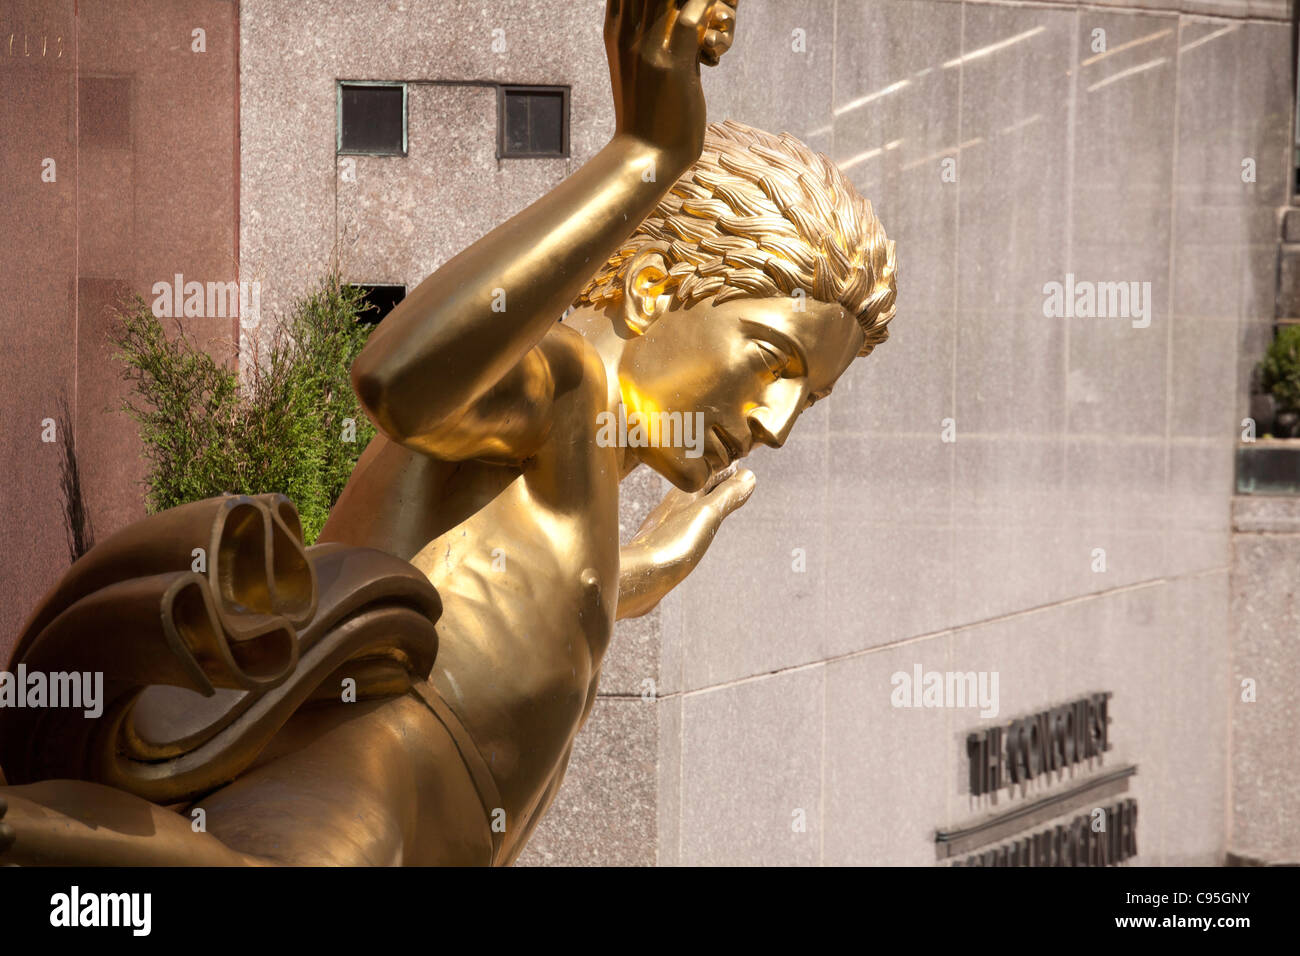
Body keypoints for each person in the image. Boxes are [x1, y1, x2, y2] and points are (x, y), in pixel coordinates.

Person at [0, 0, 895, 865]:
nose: (777, 425)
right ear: (652, 290)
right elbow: (400, 376)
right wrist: (645, 156)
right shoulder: (562, 384)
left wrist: (642, 570)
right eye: (773, 362)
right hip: (364, 781)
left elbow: (509, 587)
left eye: (807, 398)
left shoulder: (580, 476)